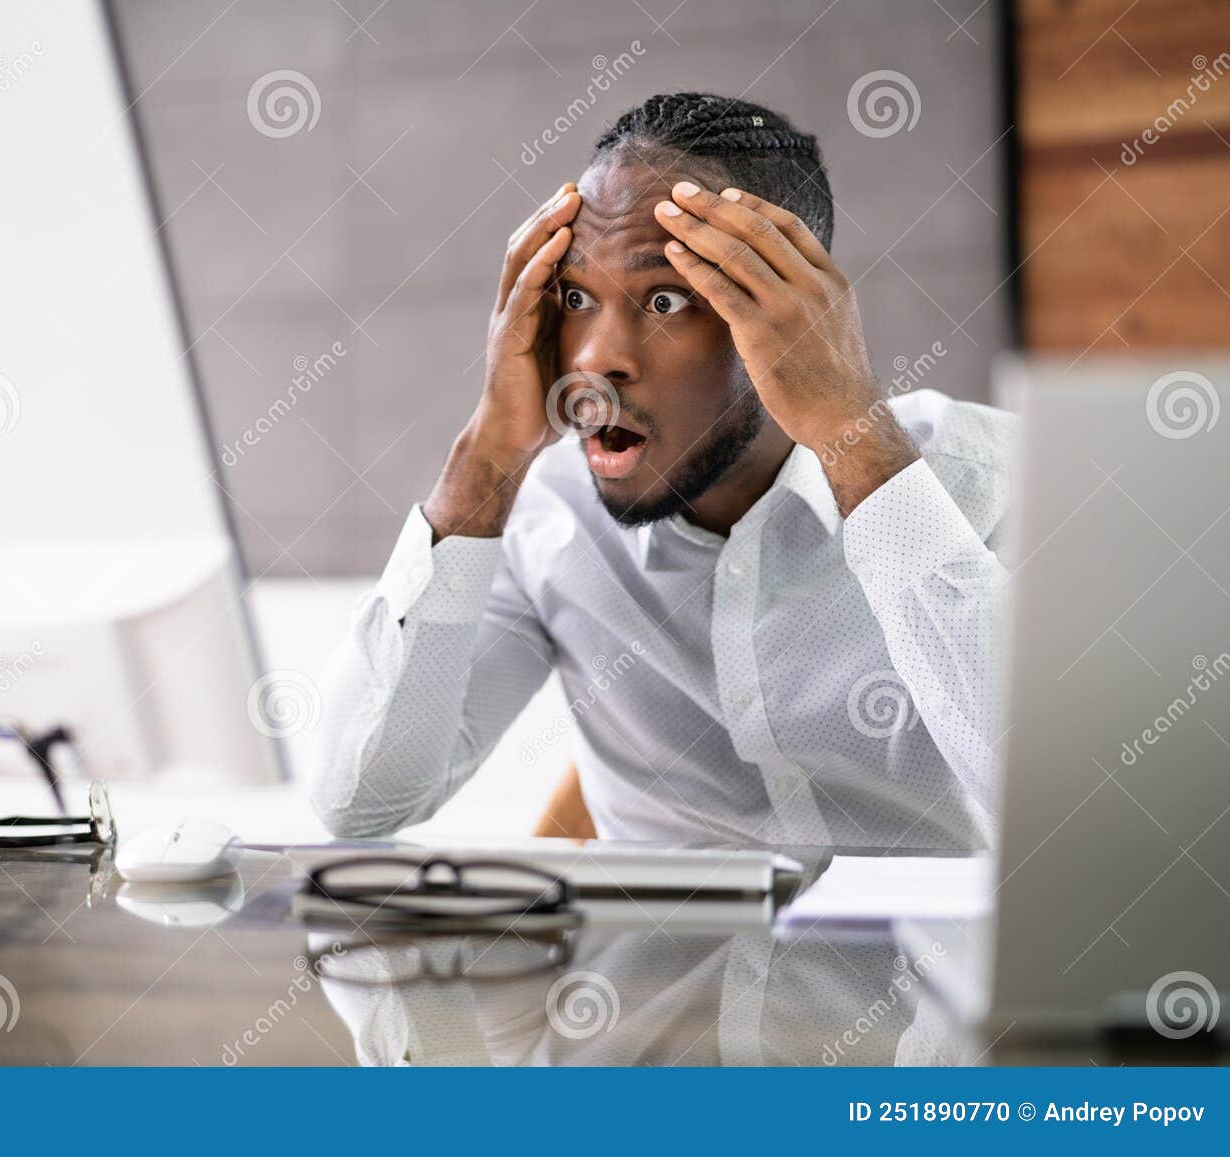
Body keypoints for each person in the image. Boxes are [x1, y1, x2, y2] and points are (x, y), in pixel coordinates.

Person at [306, 92, 1015, 848]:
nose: (591, 358)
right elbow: (360, 805)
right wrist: (488, 449)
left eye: (666, 298)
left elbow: (1069, 806)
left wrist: (853, 432)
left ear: (793, 312)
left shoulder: (998, 482)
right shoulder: (544, 516)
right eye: (575, 296)